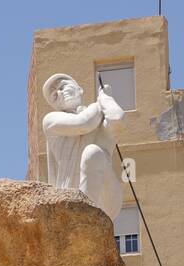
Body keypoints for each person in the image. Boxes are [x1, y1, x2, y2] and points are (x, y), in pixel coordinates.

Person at [41, 73, 125, 221]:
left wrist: (106, 98)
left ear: (79, 90)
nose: (59, 92)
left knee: (93, 152)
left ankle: (85, 217)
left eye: (63, 86)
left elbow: (117, 119)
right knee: (91, 152)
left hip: (107, 198)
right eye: (54, 94)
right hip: (70, 201)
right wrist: (99, 103)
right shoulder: (51, 120)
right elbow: (83, 123)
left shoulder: (99, 116)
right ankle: (84, 217)